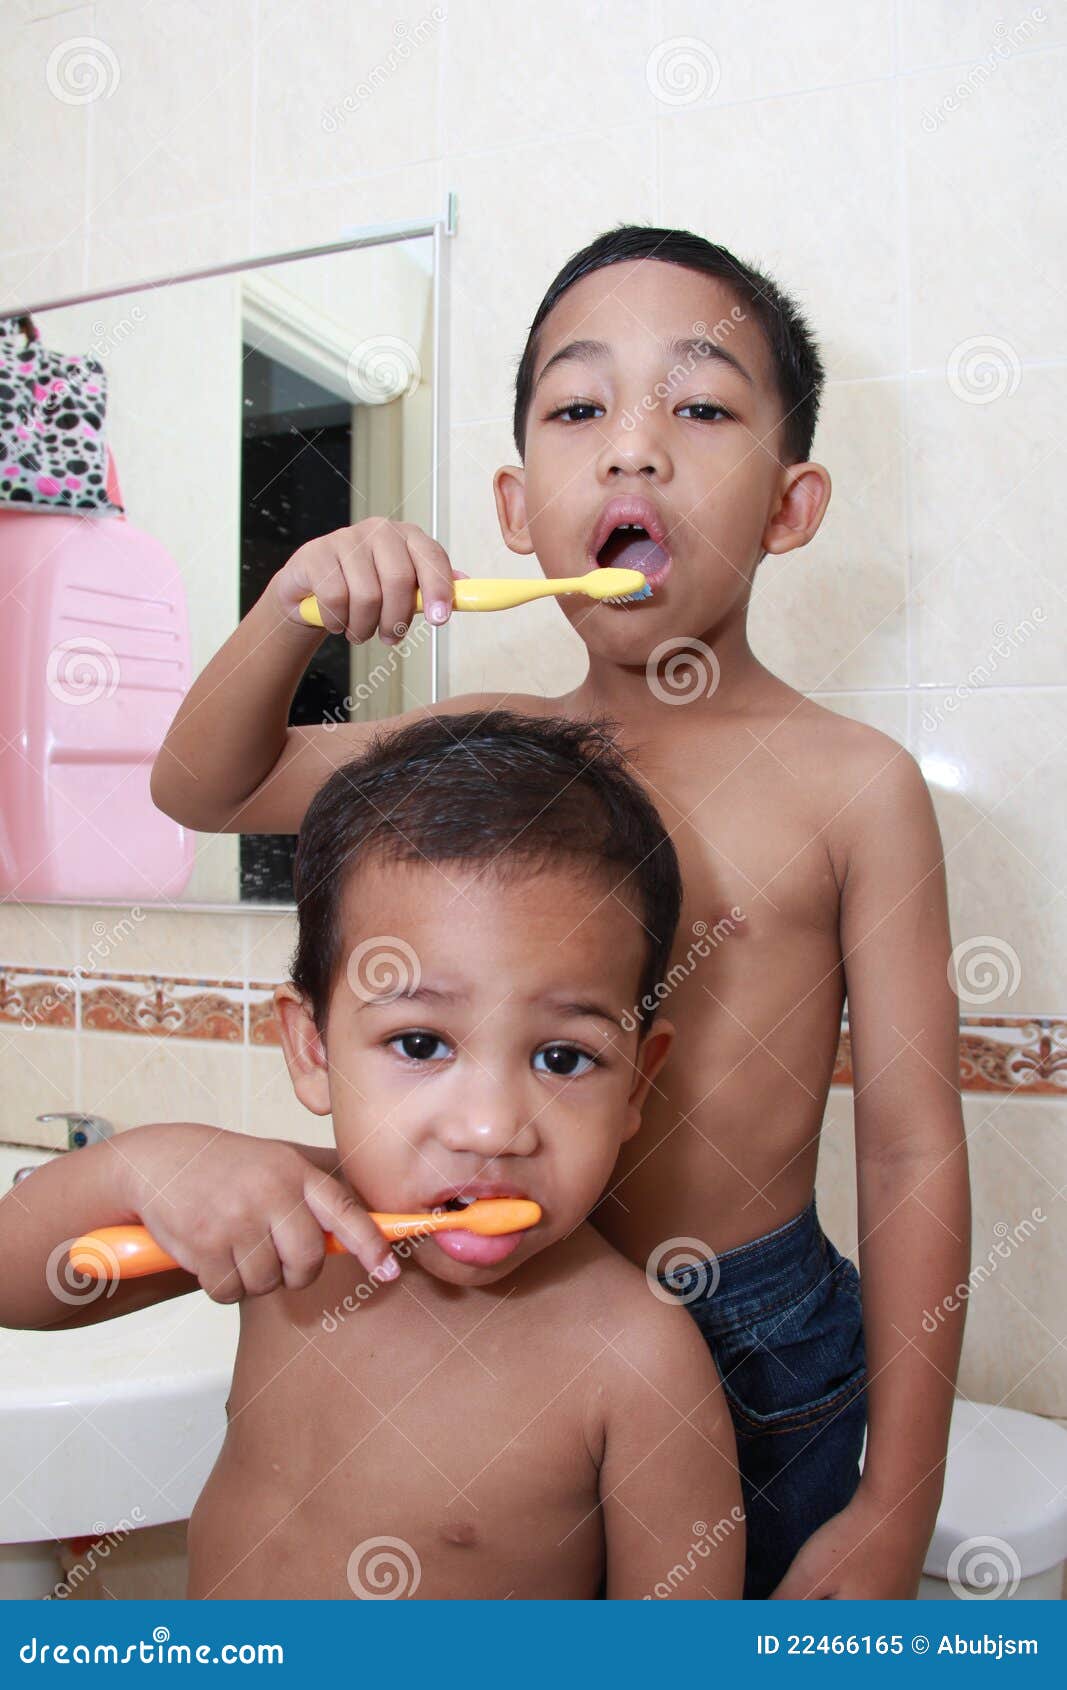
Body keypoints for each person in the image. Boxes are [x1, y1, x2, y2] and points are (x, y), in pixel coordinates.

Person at [150, 224, 971, 1599]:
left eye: (699, 408)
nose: (633, 449)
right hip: (484, 1300)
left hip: (743, 1336)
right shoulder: (477, 752)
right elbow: (202, 783)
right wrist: (295, 605)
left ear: (788, 504)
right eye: (579, 408)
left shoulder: (852, 787)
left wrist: (899, 1494)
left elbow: (906, 1154)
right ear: (518, 505)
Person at [0, 709, 744, 1601]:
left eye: (562, 1058)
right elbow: (17, 1286)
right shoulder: (289, 1225)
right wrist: (135, 1167)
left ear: (634, 1086)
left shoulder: (636, 1361)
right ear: (312, 1049)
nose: (490, 1128)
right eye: (422, 1044)